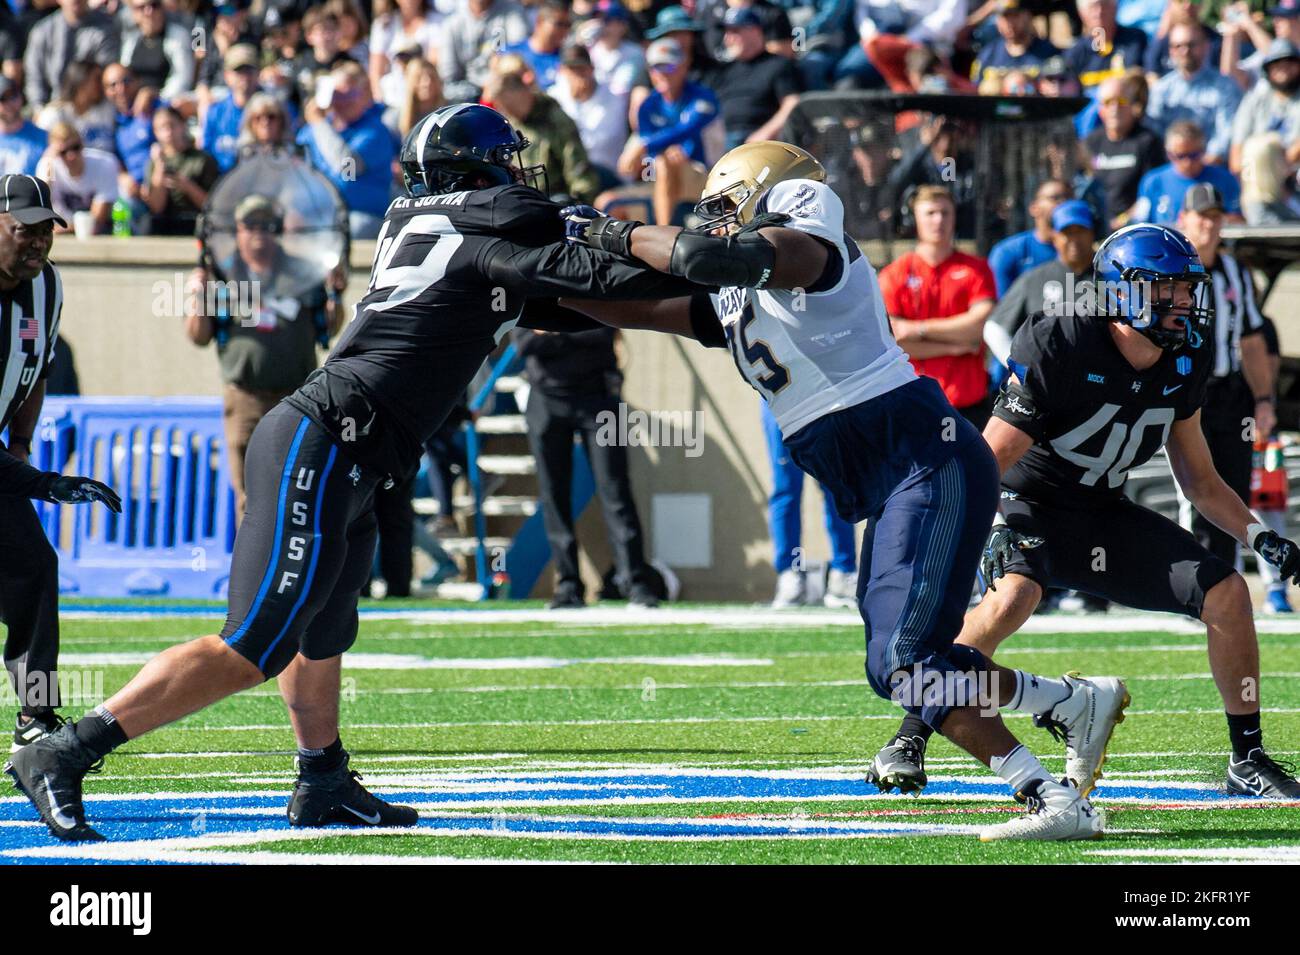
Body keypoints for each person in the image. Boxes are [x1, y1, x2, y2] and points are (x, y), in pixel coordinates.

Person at [5, 104, 713, 843]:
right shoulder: (478, 224)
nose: (517, 172)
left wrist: (712, 310)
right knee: (253, 642)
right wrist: (699, 253)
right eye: (506, 158)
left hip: (354, 451)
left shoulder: (454, 236)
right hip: (326, 437)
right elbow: (583, 257)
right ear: (475, 172)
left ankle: (322, 776)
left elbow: (591, 295)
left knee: (323, 628)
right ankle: (67, 748)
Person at [559, 141, 1117, 841]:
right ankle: (1066, 701)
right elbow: (632, 307)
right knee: (896, 667)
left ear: (770, 195)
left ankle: (1046, 794)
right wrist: (524, 273)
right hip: (894, 484)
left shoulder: (807, 232)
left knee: (908, 659)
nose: (716, 222)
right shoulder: (744, 293)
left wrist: (610, 228)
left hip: (928, 463)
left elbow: (708, 258)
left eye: (727, 207)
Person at [874, 222, 1300, 802]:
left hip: (1102, 512)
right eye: (1163, 288)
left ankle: (1247, 758)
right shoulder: (1064, 342)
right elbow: (989, 458)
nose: (1182, 302)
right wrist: (995, 523)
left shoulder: (1185, 357)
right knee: (1013, 598)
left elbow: (1198, 478)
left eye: (1185, 288)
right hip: (1029, 504)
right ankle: (909, 735)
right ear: (1121, 290)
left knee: (1227, 592)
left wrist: (1258, 537)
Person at [0, 175, 121, 751]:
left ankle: (35, 719)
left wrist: (21, 446)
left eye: (47, 231)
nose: (38, 243)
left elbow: (37, 369)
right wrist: (44, 482)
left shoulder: (46, 286)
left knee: (32, 566)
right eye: (26, 230)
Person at [185, 195, 344, 520]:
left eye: (267, 226)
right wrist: (197, 297)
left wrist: (335, 294)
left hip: (297, 399)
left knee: (298, 489)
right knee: (249, 495)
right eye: (251, 225)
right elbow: (199, 337)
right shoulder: (223, 273)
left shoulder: (301, 273)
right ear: (238, 230)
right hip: (245, 399)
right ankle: (253, 568)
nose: (259, 232)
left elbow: (327, 329)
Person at [513, 324, 661, 609]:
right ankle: (568, 586)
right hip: (545, 400)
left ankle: (636, 583)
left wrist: (553, 334)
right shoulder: (534, 285)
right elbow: (525, 344)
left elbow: (602, 335)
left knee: (615, 491)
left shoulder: (590, 282)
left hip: (598, 398)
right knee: (553, 495)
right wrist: (571, 338)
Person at [1174, 184, 1277, 572]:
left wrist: (1264, 399)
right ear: (1185, 219)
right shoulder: (1173, 269)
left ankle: (1225, 576)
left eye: (1216, 217)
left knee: (1233, 487)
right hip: (1186, 392)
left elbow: (1251, 338)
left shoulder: (1235, 270)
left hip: (1229, 393)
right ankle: (1193, 577)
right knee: (1194, 489)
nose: (1210, 225)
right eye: (1202, 217)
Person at [878, 185, 997, 428]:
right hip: (915, 403)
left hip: (970, 406)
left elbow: (978, 327)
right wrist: (957, 346)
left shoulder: (976, 268)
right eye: (930, 213)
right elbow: (893, 342)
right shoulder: (894, 274)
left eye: (945, 213)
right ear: (915, 219)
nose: (939, 220)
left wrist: (917, 330)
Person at [761, 399, 858, 609]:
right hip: (780, 399)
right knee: (786, 489)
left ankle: (843, 572)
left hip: (820, 397)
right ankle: (791, 572)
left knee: (836, 485)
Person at [296, 62, 395, 239]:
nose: (343, 101)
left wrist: (319, 123)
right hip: (320, 214)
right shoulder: (311, 132)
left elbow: (346, 166)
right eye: (337, 94)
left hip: (361, 216)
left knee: (348, 230)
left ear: (364, 95)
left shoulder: (375, 132)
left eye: (350, 93)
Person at [484, 68, 601, 204]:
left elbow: (577, 168)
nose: (503, 109)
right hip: (523, 199)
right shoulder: (510, 123)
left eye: (505, 103)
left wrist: (581, 203)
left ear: (521, 93)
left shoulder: (555, 120)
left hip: (554, 199)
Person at [989, 199, 1096, 341]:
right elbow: (994, 329)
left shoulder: (1110, 276)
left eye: (1081, 231)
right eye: (1067, 232)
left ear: (1092, 233)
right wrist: (1020, 363)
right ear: (1054, 236)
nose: (1074, 239)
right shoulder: (1035, 279)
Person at [1145, 20, 1242, 166]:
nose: (1185, 51)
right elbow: (1155, 132)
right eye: (1178, 46)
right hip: (1171, 167)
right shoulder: (1161, 89)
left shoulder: (1225, 86)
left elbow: (1227, 133)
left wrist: (1201, 163)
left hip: (1212, 167)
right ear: (1171, 51)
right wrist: (1179, 162)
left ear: (1206, 47)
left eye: (1191, 44)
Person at [707, 7, 801, 151]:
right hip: (721, 141)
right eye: (727, 32)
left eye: (735, 31)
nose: (728, 38)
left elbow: (792, 103)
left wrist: (766, 133)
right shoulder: (723, 71)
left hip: (761, 143)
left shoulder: (778, 64)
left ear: (755, 31)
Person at [1084, 73, 1165, 229]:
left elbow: (1151, 193)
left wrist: (1123, 220)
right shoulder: (1091, 142)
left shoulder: (1148, 141)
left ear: (1132, 106)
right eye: (1108, 102)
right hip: (1095, 226)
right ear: (1100, 109)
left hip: (1134, 226)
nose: (1115, 108)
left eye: (1121, 101)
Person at [1131, 120, 1242, 224]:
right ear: (1168, 153)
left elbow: (1237, 220)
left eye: (1194, 155)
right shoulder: (1153, 181)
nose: (1187, 162)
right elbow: (1140, 222)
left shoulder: (1225, 180)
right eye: (1180, 156)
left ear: (1203, 150)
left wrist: (1205, 221)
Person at [23, 0, 120, 110]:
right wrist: (38, 107)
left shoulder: (106, 28)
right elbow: (34, 77)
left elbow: (105, 74)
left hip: (92, 107)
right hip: (51, 106)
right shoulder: (42, 31)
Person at [140, 104, 219, 235]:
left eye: (172, 125)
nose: (168, 132)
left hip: (195, 221)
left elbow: (211, 205)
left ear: (182, 125)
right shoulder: (154, 163)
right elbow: (156, 207)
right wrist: (159, 166)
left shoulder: (202, 159)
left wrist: (187, 186)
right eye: (162, 128)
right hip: (164, 225)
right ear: (155, 132)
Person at [986, 179, 1072, 296]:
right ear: (1034, 208)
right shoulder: (1007, 252)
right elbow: (1001, 308)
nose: (1063, 203)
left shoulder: (1081, 253)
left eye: (1069, 197)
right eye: (1055, 198)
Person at [35, 122, 120, 234]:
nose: (71, 156)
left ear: (83, 144)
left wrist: (65, 229)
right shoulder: (48, 166)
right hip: (59, 232)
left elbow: (98, 220)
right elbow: (40, 205)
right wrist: (48, 166)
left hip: (99, 232)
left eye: (75, 147)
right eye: (63, 152)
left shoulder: (105, 164)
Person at [438, 0, 530, 102]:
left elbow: (519, 53)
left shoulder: (512, 12)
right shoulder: (452, 23)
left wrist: (495, 79)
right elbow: (448, 75)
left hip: (504, 87)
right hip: (467, 94)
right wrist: (478, 92)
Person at [972, 0, 1060, 92]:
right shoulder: (988, 53)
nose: (1009, 23)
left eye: (1015, 16)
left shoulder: (1048, 52)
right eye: (1005, 17)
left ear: (1028, 16)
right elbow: (974, 90)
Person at [119, 0, 196, 102]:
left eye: (154, 5)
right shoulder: (131, 41)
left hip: (167, 105)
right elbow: (123, 72)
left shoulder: (178, 36)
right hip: (134, 106)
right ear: (134, 14)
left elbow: (183, 78)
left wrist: (158, 97)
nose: (149, 11)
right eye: (141, 8)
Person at [201, 42, 261, 173]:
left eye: (249, 70)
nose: (244, 77)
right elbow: (206, 153)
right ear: (227, 75)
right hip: (223, 182)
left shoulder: (271, 111)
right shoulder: (215, 112)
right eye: (238, 71)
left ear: (258, 73)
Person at [502, 0, 572, 91]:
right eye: (559, 24)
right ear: (540, 21)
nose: (564, 30)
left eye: (568, 25)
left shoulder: (567, 60)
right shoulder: (510, 53)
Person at [0, 78, 47, 176]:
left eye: (13, 96)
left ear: (21, 97)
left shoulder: (44, 138)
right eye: (3, 98)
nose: (10, 103)